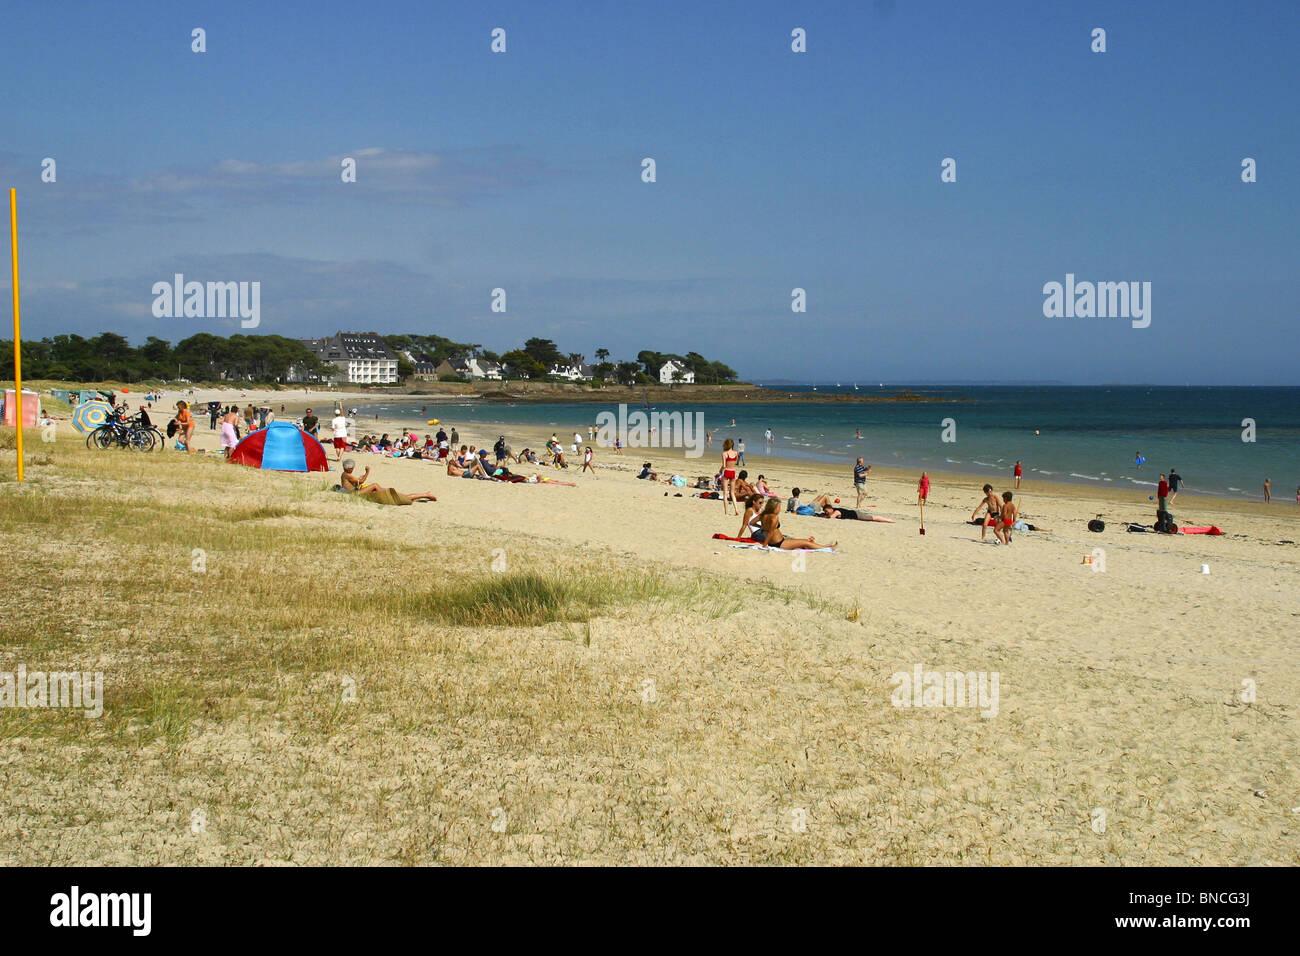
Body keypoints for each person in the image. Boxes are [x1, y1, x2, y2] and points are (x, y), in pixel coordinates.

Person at [340, 460, 437, 502]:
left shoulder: (345, 475)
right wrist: (367, 472)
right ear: (349, 468)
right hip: (355, 494)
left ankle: (426, 495)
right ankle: (426, 494)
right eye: (352, 468)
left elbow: (356, 483)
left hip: (355, 492)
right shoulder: (347, 474)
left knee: (401, 496)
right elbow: (361, 481)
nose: (352, 469)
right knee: (375, 485)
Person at [758, 499, 833, 550]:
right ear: (774, 508)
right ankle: (825, 548)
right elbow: (771, 532)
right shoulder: (774, 517)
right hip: (779, 544)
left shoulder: (763, 515)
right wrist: (765, 545)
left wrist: (763, 528)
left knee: (804, 542)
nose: (780, 509)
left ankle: (823, 546)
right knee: (805, 543)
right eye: (779, 507)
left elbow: (752, 523)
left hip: (779, 542)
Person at [720, 439, 740, 515]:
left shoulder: (724, 453)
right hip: (733, 471)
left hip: (727, 471)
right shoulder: (736, 453)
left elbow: (724, 466)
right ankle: (736, 509)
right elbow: (735, 462)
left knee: (725, 493)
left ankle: (726, 512)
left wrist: (720, 470)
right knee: (732, 493)